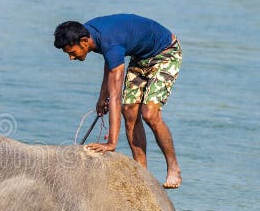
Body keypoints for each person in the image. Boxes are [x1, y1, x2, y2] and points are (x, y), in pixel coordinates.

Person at [53, 13, 182, 188]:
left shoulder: (109, 42)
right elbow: (111, 63)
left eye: (72, 52)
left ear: (84, 41)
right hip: (140, 57)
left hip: (165, 52)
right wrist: (101, 97)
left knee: (149, 114)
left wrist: (111, 143)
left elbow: (115, 97)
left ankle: (173, 168)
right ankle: (141, 169)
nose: (71, 57)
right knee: (129, 111)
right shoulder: (92, 35)